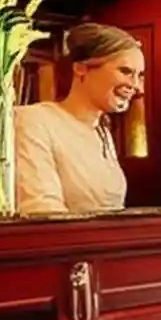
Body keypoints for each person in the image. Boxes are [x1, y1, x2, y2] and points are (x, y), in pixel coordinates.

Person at [15, 23, 143, 215]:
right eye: (125, 71)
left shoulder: (102, 131)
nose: (136, 86)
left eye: (139, 75)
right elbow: (40, 209)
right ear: (81, 69)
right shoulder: (34, 121)